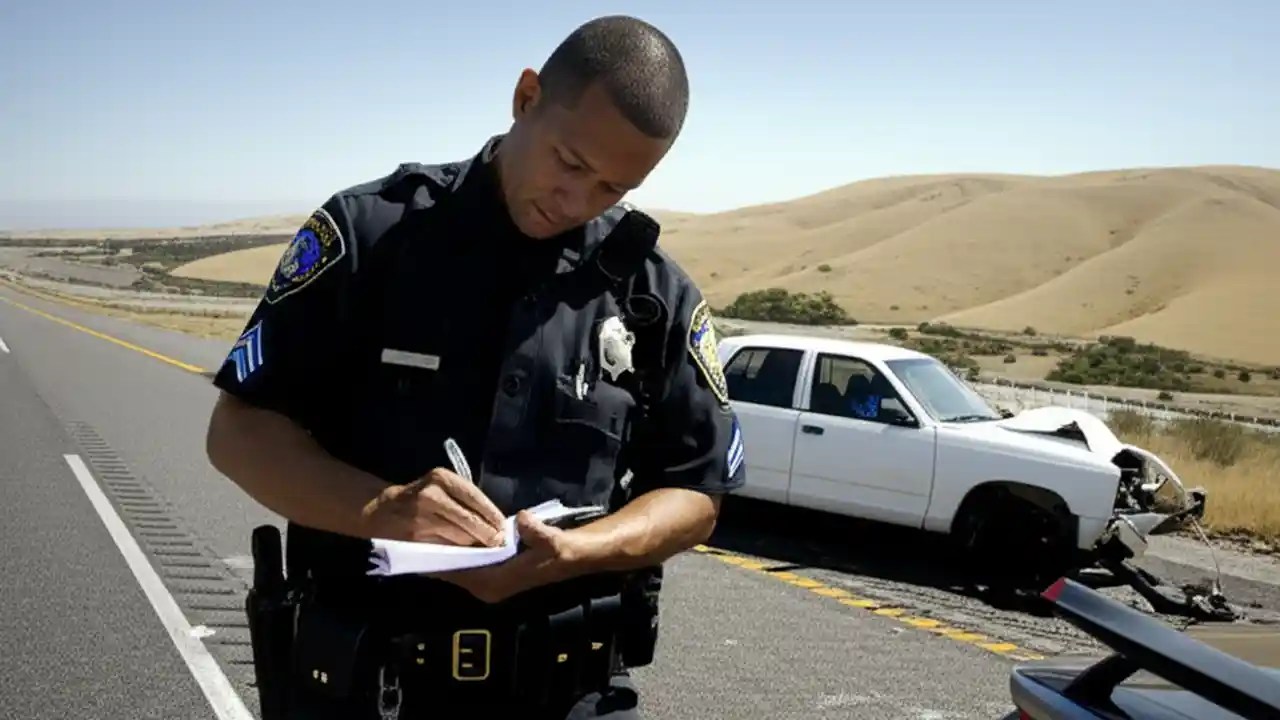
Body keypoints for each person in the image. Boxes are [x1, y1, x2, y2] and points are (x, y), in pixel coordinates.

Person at [204, 14, 746, 720]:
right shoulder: (374, 237)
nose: (575, 202)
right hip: (372, 688)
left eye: (612, 189)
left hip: (570, 692)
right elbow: (239, 431)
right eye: (571, 163)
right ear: (525, 98)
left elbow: (698, 491)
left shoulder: (650, 294)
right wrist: (384, 511)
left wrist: (581, 551)